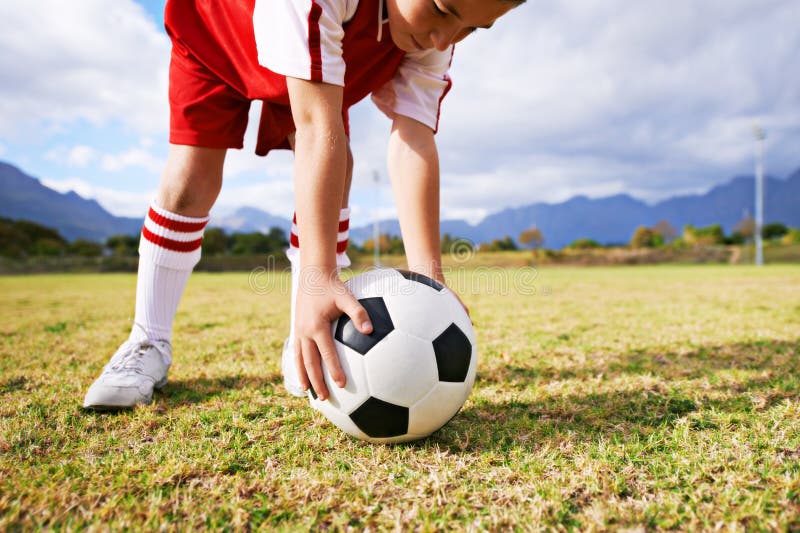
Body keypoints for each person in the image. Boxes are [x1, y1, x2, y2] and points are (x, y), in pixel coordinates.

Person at [83, 0, 522, 409]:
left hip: (315, 50)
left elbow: (414, 139)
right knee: (191, 176)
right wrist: (318, 277)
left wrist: (430, 278)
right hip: (218, 31)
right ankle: (147, 339)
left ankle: (305, 340)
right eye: (442, 10)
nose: (444, 39)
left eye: (473, 28)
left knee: (341, 163)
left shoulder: (436, 33)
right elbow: (314, 126)